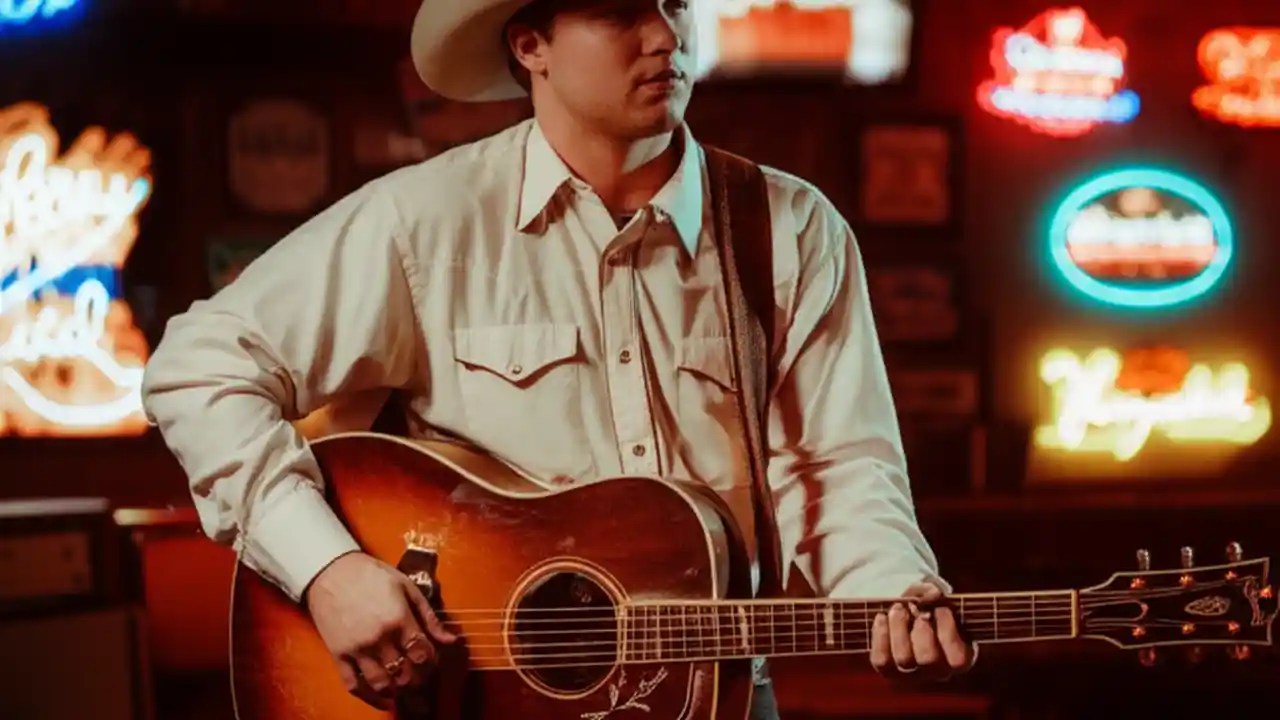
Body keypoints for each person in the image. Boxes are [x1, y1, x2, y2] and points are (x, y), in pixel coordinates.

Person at [140, 0, 975, 716]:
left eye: (675, 2)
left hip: (712, 693)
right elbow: (200, 367)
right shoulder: (425, 222)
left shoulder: (789, 230)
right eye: (619, 11)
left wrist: (894, 588)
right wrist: (327, 568)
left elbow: (843, 465)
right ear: (529, 44)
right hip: (465, 694)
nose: (664, 35)